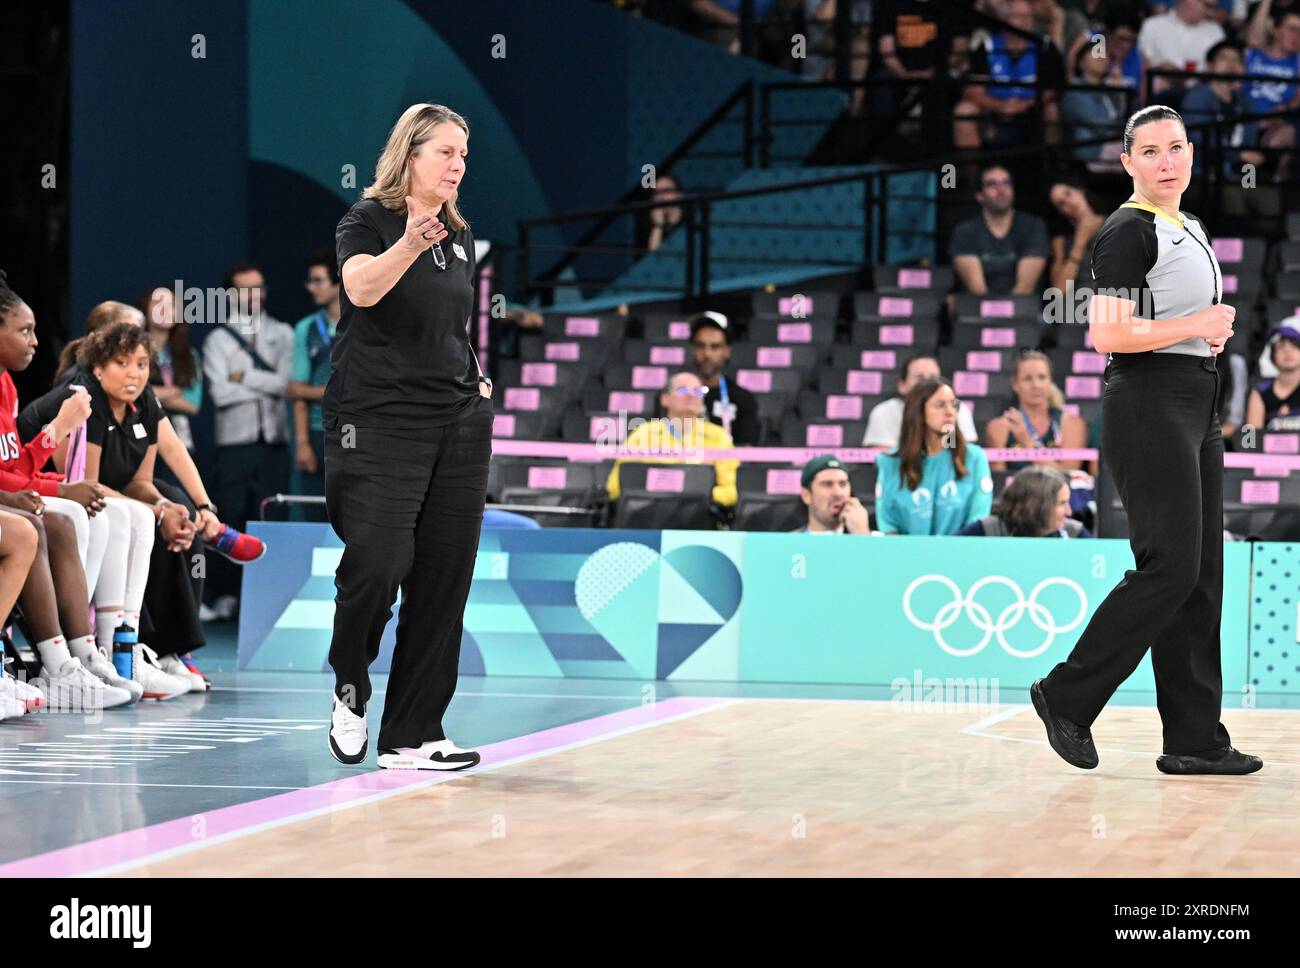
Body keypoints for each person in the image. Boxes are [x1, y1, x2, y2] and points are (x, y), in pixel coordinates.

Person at [1031, 105, 1261, 776]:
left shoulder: (1187, 225)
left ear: (1192, 155)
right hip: (1147, 401)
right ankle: (1067, 696)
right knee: (1171, 568)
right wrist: (1195, 322)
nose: (1167, 161)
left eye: (1177, 148)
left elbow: (1175, 320)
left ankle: (1193, 739)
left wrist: (1206, 332)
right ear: (1128, 163)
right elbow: (1108, 333)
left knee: (1201, 576)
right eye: (1151, 151)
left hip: (1197, 399)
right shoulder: (1127, 230)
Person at [324, 103, 491, 771]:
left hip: (456, 421)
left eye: (463, 155)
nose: (457, 165)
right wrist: (410, 243)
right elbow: (361, 290)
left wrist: (476, 382)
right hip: (376, 422)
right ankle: (349, 686)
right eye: (445, 152)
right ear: (410, 155)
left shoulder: (460, 236)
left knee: (444, 577)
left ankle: (413, 734)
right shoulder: (367, 221)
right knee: (380, 561)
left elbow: (450, 328)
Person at [22, 322, 205, 699]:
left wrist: (166, 506)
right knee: (121, 516)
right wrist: (157, 513)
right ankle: (77, 650)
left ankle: (122, 651)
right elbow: (87, 486)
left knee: (143, 514)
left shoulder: (144, 404)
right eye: (122, 363)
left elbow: (140, 482)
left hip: (84, 497)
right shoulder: (86, 397)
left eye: (141, 364)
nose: (134, 373)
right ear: (98, 368)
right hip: (35, 488)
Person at [202, 262, 294, 618]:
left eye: (258, 287)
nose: (253, 295)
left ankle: (269, 596)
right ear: (230, 294)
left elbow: (285, 384)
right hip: (233, 444)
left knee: (272, 513)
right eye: (244, 289)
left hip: (274, 441)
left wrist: (243, 375)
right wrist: (261, 382)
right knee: (231, 515)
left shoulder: (283, 333)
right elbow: (221, 394)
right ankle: (226, 594)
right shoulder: (218, 340)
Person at [874, 377, 994, 534]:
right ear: (919, 412)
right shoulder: (890, 462)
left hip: (959, 554)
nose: (950, 412)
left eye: (953, 404)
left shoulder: (974, 458)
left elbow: (977, 521)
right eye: (940, 405)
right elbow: (888, 523)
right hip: (906, 556)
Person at [606, 371, 739, 509]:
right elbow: (615, 486)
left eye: (697, 391)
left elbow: (732, 488)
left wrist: (699, 493)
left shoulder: (719, 436)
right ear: (665, 399)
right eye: (682, 390)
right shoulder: (643, 433)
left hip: (699, 514)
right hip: (649, 511)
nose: (691, 395)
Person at [955, 0, 1066, 150]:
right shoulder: (986, 47)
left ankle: (1054, 167)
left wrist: (1026, 105)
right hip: (993, 111)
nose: (1025, 21)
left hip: (1033, 110)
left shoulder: (1044, 46)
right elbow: (972, 91)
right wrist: (1000, 106)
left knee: (1052, 111)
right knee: (964, 110)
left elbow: (1053, 89)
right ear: (1006, 19)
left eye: (1028, 16)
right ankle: (970, 171)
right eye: (1018, 16)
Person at [288, 247, 340, 516]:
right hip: (317, 432)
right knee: (315, 511)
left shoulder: (365, 323)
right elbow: (296, 390)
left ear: (338, 279)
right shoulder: (306, 328)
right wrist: (303, 444)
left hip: (358, 432)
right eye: (310, 281)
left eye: (318, 280)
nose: (311, 287)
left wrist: (316, 392)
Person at [949, 165, 1049, 296]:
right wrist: (995, 313)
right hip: (979, 310)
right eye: (992, 184)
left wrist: (1005, 312)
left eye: (1006, 183)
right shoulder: (965, 231)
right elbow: (977, 290)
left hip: (1023, 310)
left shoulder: (1033, 226)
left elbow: (1025, 288)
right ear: (979, 196)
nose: (1001, 189)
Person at [984, 350, 1088, 471]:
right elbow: (1000, 481)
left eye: (1042, 377)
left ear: (1050, 381)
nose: (1036, 385)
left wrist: (1027, 442)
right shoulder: (999, 427)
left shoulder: (1072, 424)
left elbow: (1068, 476)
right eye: (1027, 379)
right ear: (1015, 384)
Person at [139, 284, 203, 461]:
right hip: (143, 439)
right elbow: (134, 393)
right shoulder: (134, 351)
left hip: (179, 440)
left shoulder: (189, 356)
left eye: (172, 304)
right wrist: (173, 391)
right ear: (145, 309)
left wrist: (151, 392)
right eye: (158, 302)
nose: (165, 308)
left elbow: (192, 404)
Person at [863, 353, 978, 448]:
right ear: (902, 385)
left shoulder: (954, 408)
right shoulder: (884, 412)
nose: (927, 383)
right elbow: (885, 461)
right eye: (920, 377)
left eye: (933, 377)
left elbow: (956, 453)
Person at [688, 311, 761, 445]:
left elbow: (747, 450)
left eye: (715, 347)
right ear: (693, 350)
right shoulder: (675, 394)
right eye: (700, 346)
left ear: (727, 351)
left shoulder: (742, 398)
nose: (707, 353)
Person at [958, 464, 1091, 535]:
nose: (1069, 512)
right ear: (1033, 505)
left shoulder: (1074, 534)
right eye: (1062, 503)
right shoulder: (986, 531)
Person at [1048, 180, 1104, 293]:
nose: (1069, 202)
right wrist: (1080, 242)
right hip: (1078, 304)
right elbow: (1058, 291)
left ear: (1079, 190)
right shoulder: (1061, 241)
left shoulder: (1117, 224)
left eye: (1068, 193)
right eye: (1061, 204)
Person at [796, 454, 872, 534]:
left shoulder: (877, 540)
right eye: (827, 484)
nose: (838, 493)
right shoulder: (788, 542)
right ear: (806, 495)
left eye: (843, 484)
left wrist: (862, 535)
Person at [1244, 324, 1300, 431]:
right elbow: (1250, 440)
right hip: (1269, 448)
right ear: (1272, 357)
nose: (1287, 351)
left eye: (1294, 345)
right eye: (1280, 347)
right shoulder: (1260, 392)